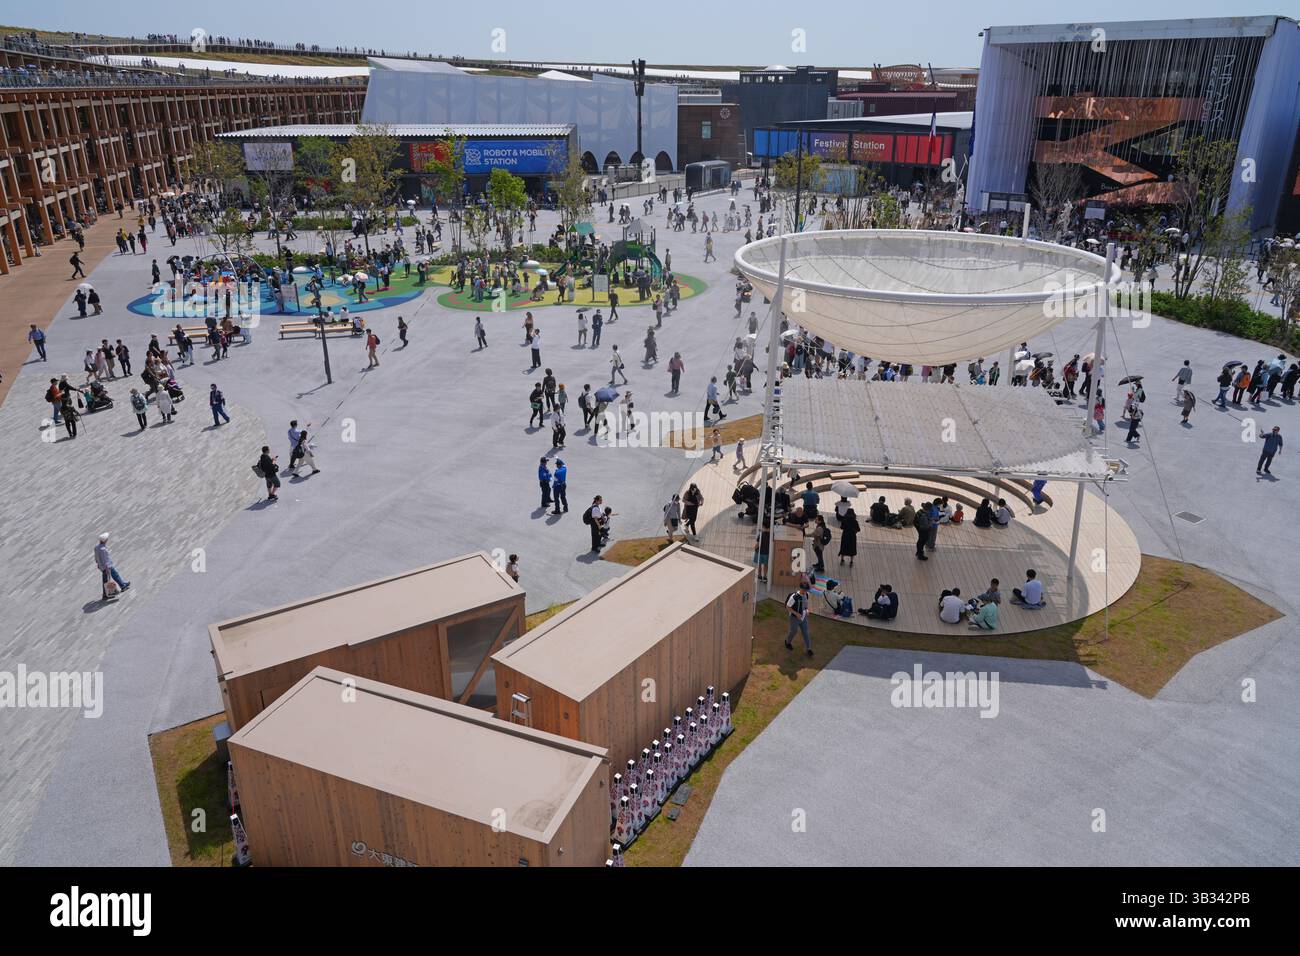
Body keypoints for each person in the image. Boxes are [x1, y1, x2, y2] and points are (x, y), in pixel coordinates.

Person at [94, 532, 130, 599]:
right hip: (107, 567)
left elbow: (96, 557)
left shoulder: (97, 547)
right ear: (105, 540)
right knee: (106, 580)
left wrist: (98, 564)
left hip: (104, 566)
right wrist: (107, 568)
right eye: (107, 539)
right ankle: (105, 595)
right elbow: (105, 560)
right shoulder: (103, 549)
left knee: (115, 574)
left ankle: (122, 585)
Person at [784, 582, 813, 657]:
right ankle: (788, 643)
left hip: (803, 617)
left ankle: (809, 649)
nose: (805, 591)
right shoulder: (794, 597)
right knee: (793, 631)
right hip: (794, 618)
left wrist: (807, 610)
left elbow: (805, 605)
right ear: (800, 588)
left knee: (806, 632)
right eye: (804, 590)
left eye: (806, 590)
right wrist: (796, 614)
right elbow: (787, 607)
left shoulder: (806, 594)